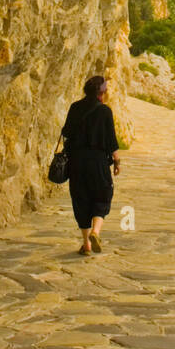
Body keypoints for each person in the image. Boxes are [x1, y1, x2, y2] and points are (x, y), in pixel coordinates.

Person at [61, 75, 121, 255]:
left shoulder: (75, 107)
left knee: (81, 199)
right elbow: (111, 141)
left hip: (77, 162)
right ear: (101, 92)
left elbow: (66, 133)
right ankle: (96, 231)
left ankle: (86, 244)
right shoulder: (105, 111)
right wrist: (117, 162)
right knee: (102, 196)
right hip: (98, 162)